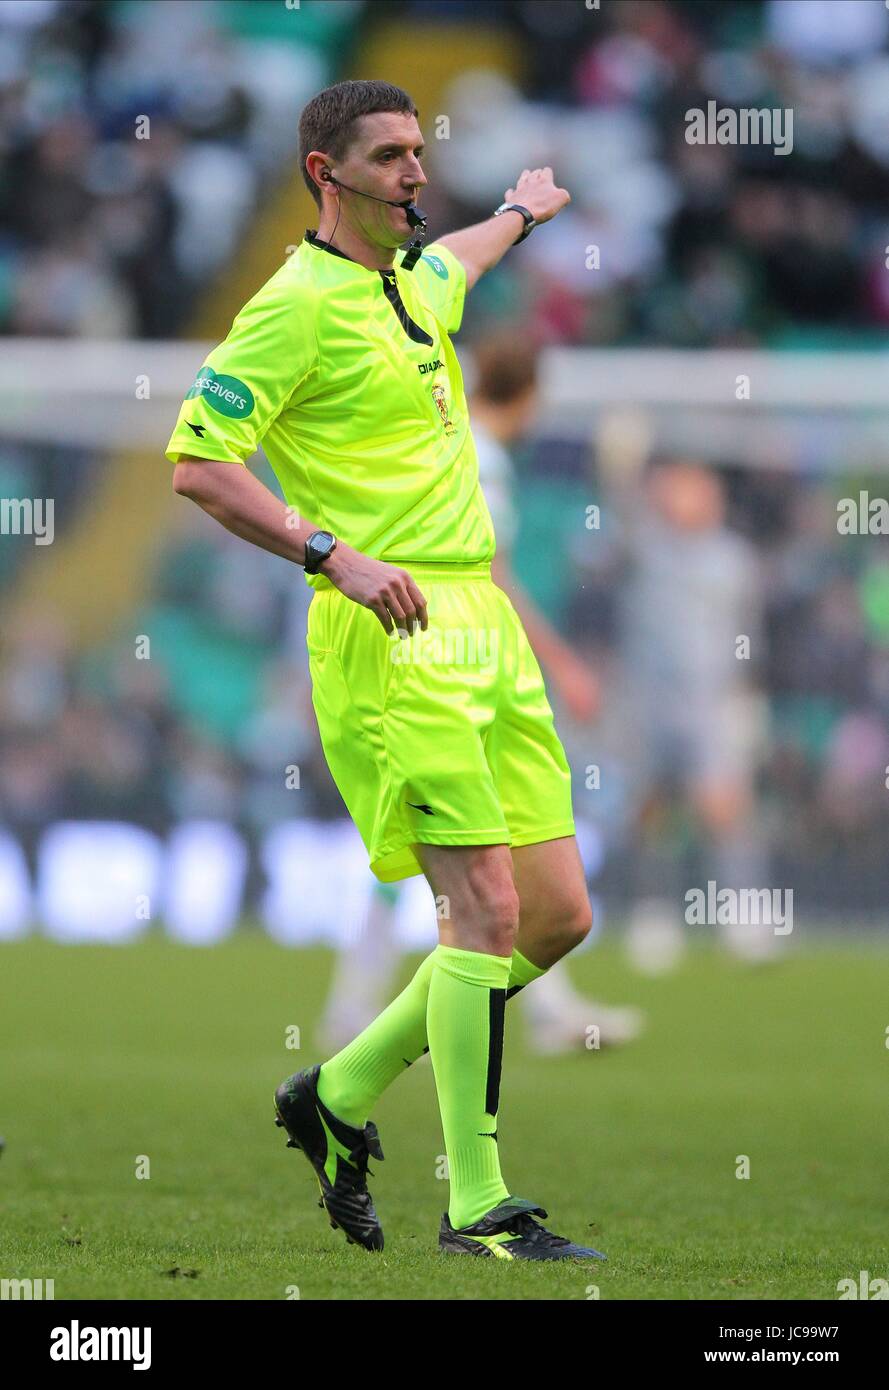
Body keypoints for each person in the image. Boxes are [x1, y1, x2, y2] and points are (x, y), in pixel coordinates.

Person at [166, 79, 605, 1262]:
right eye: (390, 156)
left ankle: (341, 1090)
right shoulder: (290, 307)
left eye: (419, 151)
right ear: (327, 172)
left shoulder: (414, 281)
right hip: (394, 621)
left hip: (484, 618)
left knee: (556, 917)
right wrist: (331, 554)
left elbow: (463, 254)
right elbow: (200, 463)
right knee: (483, 908)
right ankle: (479, 1203)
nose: (416, 172)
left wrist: (520, 214)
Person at [318, 333, 644, 1056]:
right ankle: (375, 1016)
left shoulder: (440, 438)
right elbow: (487, 577)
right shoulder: (483, 461)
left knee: (432, 853)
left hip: (407, 664)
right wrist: (558, 664)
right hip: (454, 671)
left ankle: (354, 1008)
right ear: (528, 396)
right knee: (484, 855)